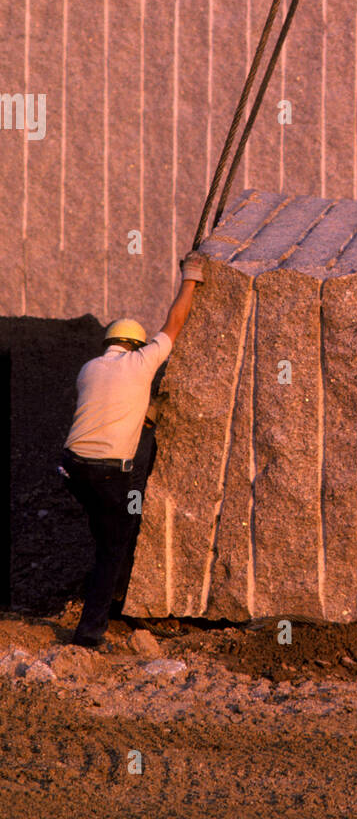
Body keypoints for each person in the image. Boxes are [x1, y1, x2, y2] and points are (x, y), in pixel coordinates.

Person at [59, 251, 205, 648]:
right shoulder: (142, 363)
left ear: (108, 343)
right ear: (136, 345)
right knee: (114, 546)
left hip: (72, 468)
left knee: (106, 519)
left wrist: (143, 415)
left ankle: (113, 545)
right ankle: (91, 632)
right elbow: (175, 322)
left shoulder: (88, 368)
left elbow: (108, 408)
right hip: (109, 473)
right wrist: (190, 277)